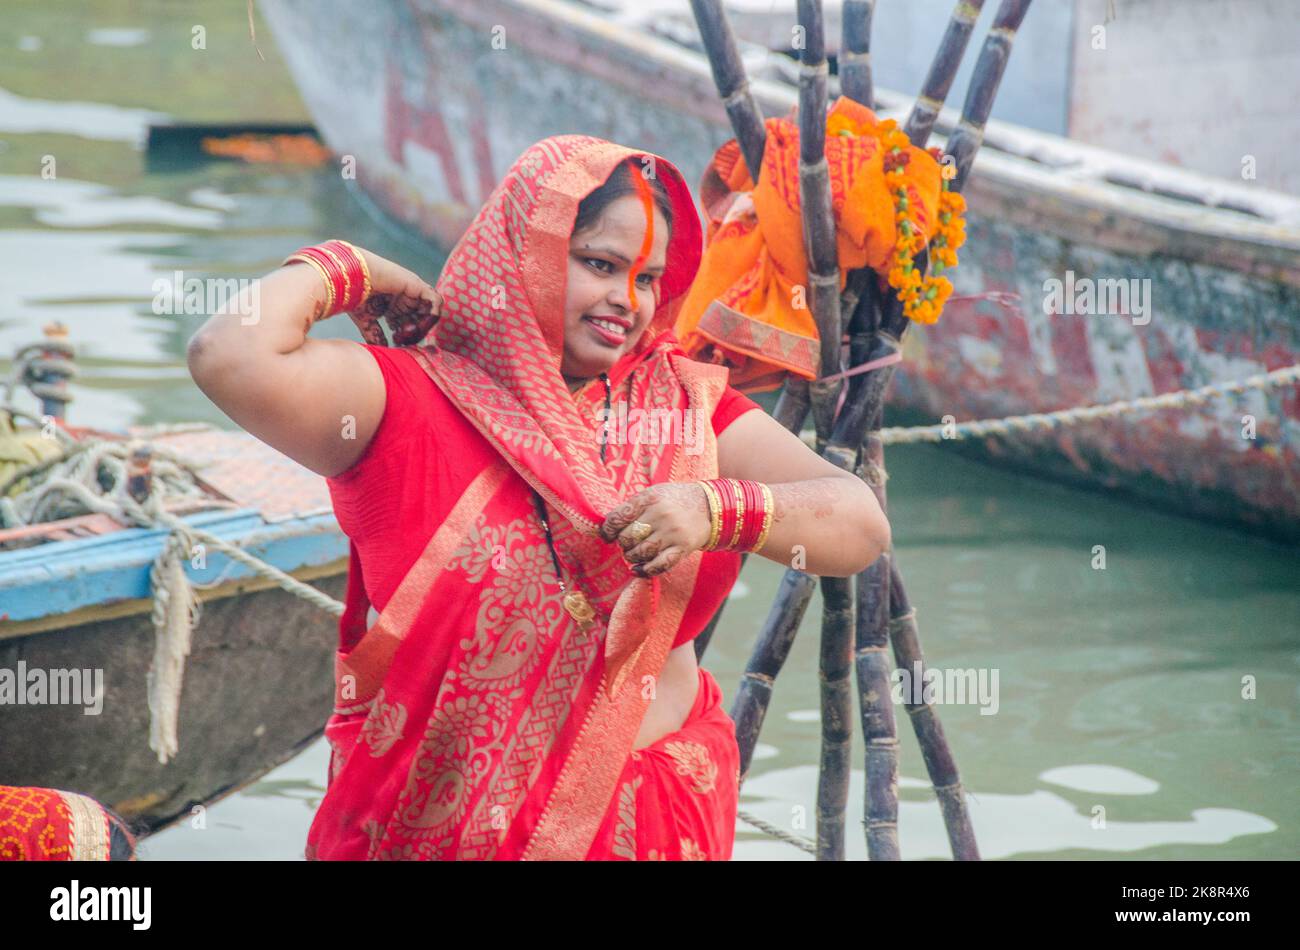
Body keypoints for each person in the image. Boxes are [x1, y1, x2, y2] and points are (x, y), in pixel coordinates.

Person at [186, 134, 890, 860]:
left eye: (647, 279)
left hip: (657, 818)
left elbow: (860, 523)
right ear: (526, 252)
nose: (628, 301)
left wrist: (717, 511)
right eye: (600, 264)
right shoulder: (410, 400)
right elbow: (226, 354)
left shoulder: (682, 412)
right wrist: (351, 267)